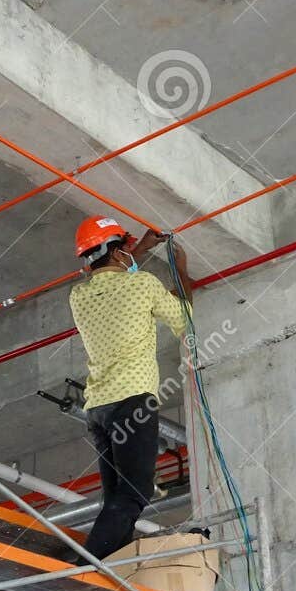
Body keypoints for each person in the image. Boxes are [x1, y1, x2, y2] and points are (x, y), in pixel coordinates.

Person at [67, 216, 194, 559]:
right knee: (135, 493)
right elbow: (184, 318)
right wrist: (179, 267)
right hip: (132, 404)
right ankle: (84, 567)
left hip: (99, 409)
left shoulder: (78, 297)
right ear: (119, 252)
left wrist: (135, 250)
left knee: (117, 500)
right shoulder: (145, 285)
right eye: (126, 249)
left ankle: (108, 567)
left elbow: (114, 278)